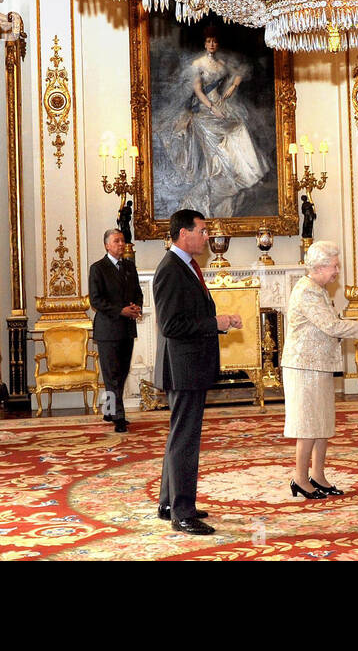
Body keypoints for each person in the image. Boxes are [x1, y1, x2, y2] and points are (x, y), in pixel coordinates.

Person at [153, 208, 242, 535]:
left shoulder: (185, 266)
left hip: (190, 365)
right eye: (202, 231)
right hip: (183, 367)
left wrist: (219, 322)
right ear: (183, 234)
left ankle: (168, 503)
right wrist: (214, 323)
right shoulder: (171, 269)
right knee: (185, 440)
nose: (207, 237)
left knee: (180, 435)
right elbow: (171, 325)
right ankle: (183, 513)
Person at [282, 241, 358, 499]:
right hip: (303, 366)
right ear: (319, 266)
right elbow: (332, 327)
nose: (337, 271)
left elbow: (331, 325)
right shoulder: (307, 291)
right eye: (335, 266)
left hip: (319, 365)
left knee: (323, 423)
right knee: (308, 426)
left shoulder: (319, 289)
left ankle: (318, 476)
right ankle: (300, 479)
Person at [159, 26, 266, 217]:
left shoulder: (222, 63)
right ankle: (218, 176)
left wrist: (232, 86)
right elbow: (198, 91)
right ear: (204, 43)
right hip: (205, 108)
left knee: (238, 128)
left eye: (214, 42)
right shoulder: (197, 64)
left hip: (220, 105)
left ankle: (241, 172)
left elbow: (240, 73)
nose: (212, 45)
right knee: (214, 145)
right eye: (209, 41)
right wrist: (211, 107)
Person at [88, 228, 144, 433]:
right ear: (107, 245)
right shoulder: (98, 268)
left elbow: (138, 293)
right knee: (111, 374)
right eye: (117, 241)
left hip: (127, 329)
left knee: (121, 373)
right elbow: (96, 300)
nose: (121, 244)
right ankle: (118, 416)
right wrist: (120, 311)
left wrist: (137, 307)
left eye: (122, 241)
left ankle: (109, 409)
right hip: (108, 330)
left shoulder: (130, 266)